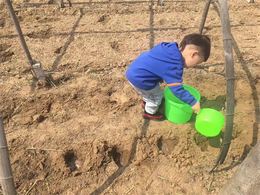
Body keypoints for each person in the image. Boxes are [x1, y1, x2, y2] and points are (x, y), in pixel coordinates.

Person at [126, 33, 211, 121]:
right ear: (193, 54)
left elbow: (158, 63)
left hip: (135, 70)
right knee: (157, 95)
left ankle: (146, 102)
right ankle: (149, 113)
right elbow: (177, 90)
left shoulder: (169, 48)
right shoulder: (174, 65)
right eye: (197, 63)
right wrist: (192, 102)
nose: (194, 66)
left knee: (149, 93)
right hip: (141, 79)